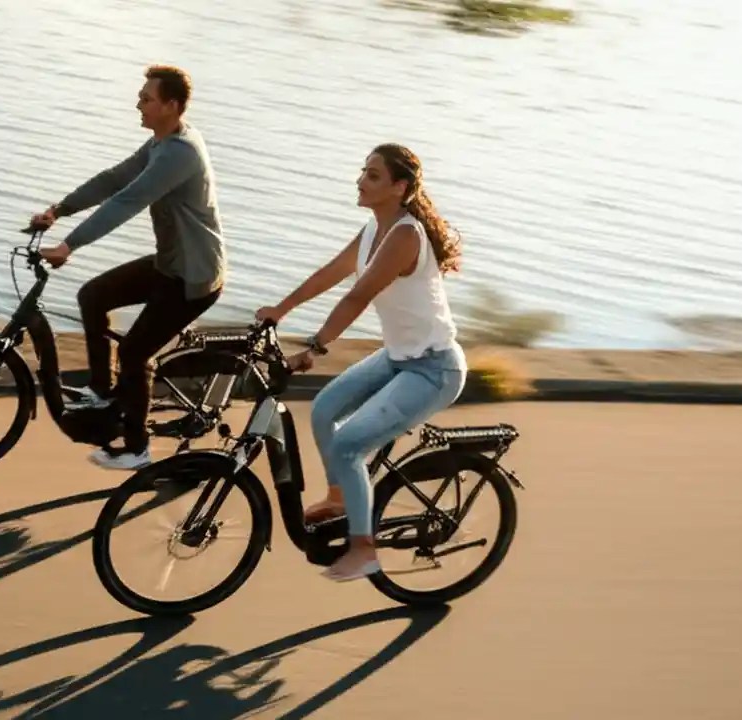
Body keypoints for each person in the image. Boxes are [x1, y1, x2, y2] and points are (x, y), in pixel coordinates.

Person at [255, 143, 467, 582]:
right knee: (324, 410)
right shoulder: (374, 229)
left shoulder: (405, 236)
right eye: (363, 171)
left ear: (399, 187)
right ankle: (340, 498)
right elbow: (330, 274)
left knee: (349, 446)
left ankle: (363, 549)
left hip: (434, 369)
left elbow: (358, 296)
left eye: (372, 175)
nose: (360, 181)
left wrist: (314, 348)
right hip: (398, 355)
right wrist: (280, 309)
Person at [30, 65, 226, 471]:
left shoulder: (180, 153)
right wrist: (59, 210)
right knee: (92, 296)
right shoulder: (161, 143)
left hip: (194, 276)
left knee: (134, 352)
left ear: (171, 105)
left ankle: (137, 448)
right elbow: (114, 180)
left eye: (146, 98)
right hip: (170, 264)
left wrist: (69, 245)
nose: (138, 104)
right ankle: (102, 390)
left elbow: (126, 201)